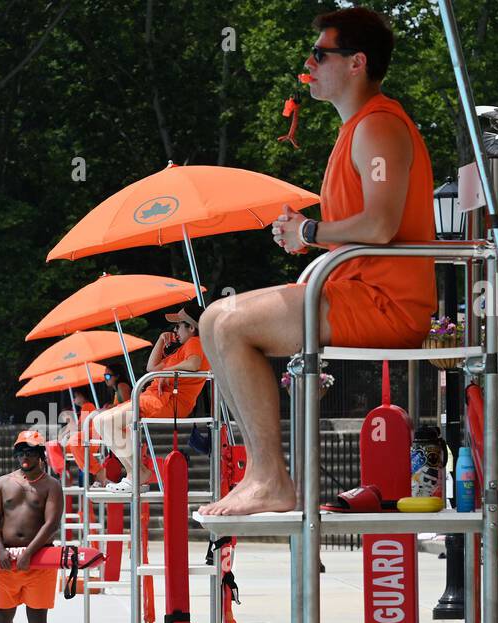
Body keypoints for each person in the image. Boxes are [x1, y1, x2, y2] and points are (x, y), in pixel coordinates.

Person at [199, 6, 436, 516]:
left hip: (385, 305)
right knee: (214, 319)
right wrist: (307, 235)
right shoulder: (357, 128)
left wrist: (308, 232)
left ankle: (270, 479)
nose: (308, 64)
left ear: (356, 63)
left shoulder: (378, 127)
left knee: (230, 325)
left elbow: (380, 226)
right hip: (354, 292)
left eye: (320, 54)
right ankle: (263, 474)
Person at [90, 301, 210, 490]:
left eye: (178, 325)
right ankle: (135, 473)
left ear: (192, 328)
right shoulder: (185, 348)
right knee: (100, 421)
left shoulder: (195, 342)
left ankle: (136, 473)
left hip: (165, 402)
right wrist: (162, 340)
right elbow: (151, 368)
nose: (175, 330)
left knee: (103, 422)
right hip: (155, 399)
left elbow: (194, 364)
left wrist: (166, 372)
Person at [0, 430, 63, 623]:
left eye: (30, 451)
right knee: (2, 614)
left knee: (37, 615)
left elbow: (52, 523)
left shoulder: (51, 485)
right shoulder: (3, 483)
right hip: (6, 558)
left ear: (40, 455)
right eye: (21, 451)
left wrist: (30, 551)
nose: (25, 456)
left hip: (39, 558)